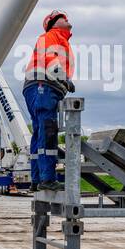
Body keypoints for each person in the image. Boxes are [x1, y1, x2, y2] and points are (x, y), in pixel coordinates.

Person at [23, 11, 75, 189]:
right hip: (43, 86)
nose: (66, 20)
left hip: (37, 86)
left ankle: (37, 179)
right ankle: (47, 179)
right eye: (62, 18)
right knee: (48, 130)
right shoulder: (53, 36)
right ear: (53, 24)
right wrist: (63, 78)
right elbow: (49, 58)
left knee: (39, 132)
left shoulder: (57, 38)